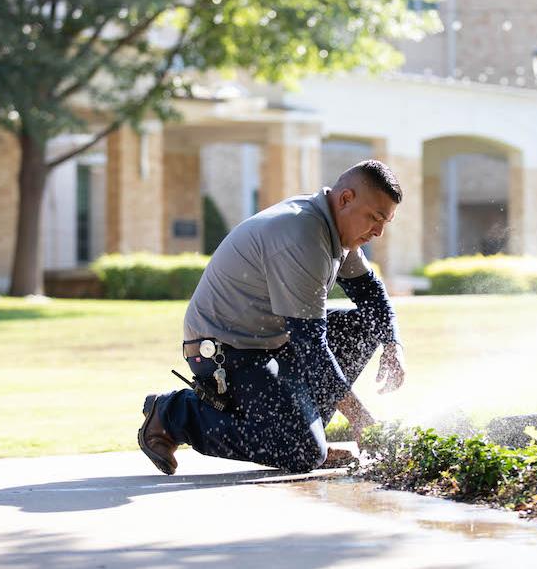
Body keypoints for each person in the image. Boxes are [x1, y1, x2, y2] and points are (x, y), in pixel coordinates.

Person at [138, 159, 406, 474]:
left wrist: (393, 344)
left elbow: (371, 293)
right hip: (225, 352)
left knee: (359, 326)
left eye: (384, 222)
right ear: (346, 199)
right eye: (374, 218)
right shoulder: (302, 235)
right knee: (301, 452)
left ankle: (309, 433)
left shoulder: (336, 229)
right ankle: (173, 412)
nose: (378, 232)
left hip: (269, 342)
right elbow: (311, 346)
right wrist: (360, 419)